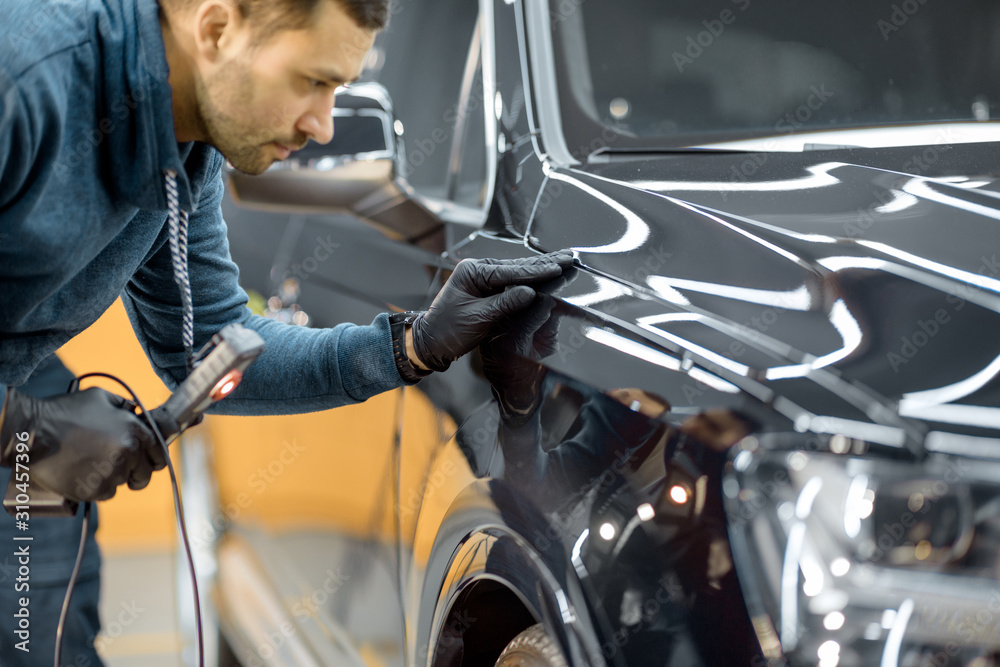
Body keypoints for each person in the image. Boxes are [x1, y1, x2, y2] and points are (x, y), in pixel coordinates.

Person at [0, 0, 573, 663]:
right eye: (314, 82)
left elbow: (212, 344)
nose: (324, 126)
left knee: (41, 639)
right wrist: (27, 425)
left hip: (21, 390)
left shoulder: (185, 146)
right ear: (216, 30)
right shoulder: (25, 75)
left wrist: (407, 345)